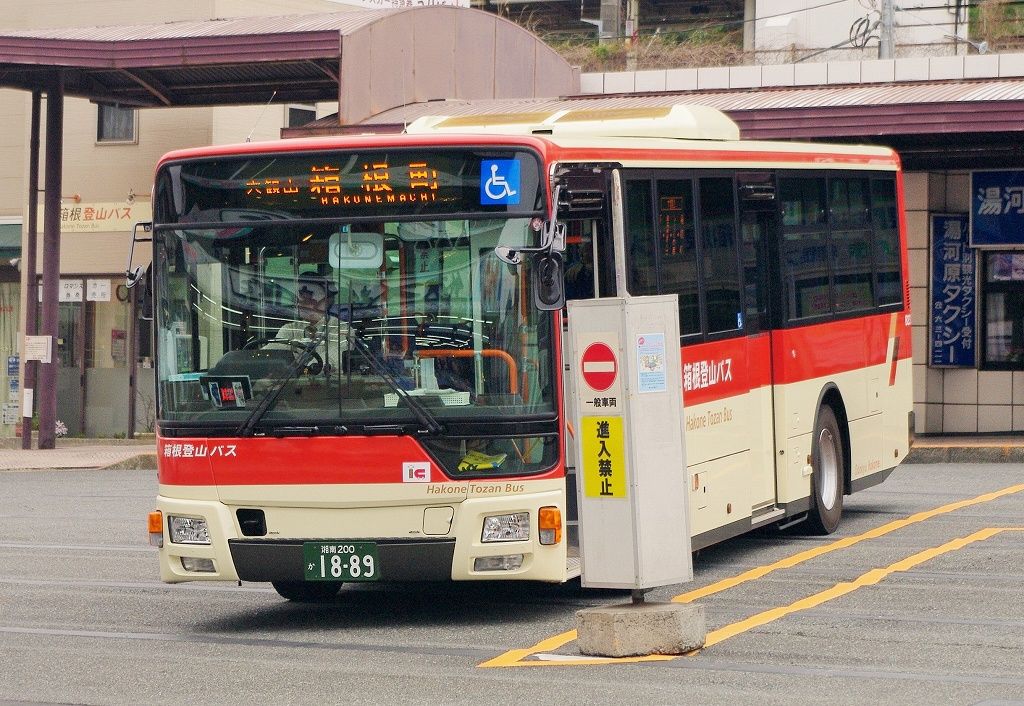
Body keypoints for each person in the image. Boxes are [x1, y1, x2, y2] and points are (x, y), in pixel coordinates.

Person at [269, 279, 349, 374]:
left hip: (330, 386)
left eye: (309, 300)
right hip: (292, 386)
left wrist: (307, 369)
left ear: (326, 302)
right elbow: (271, 353)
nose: (301, 305)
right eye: (299, 300)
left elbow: (334, 356)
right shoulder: (290, 329)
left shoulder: (341, 329)